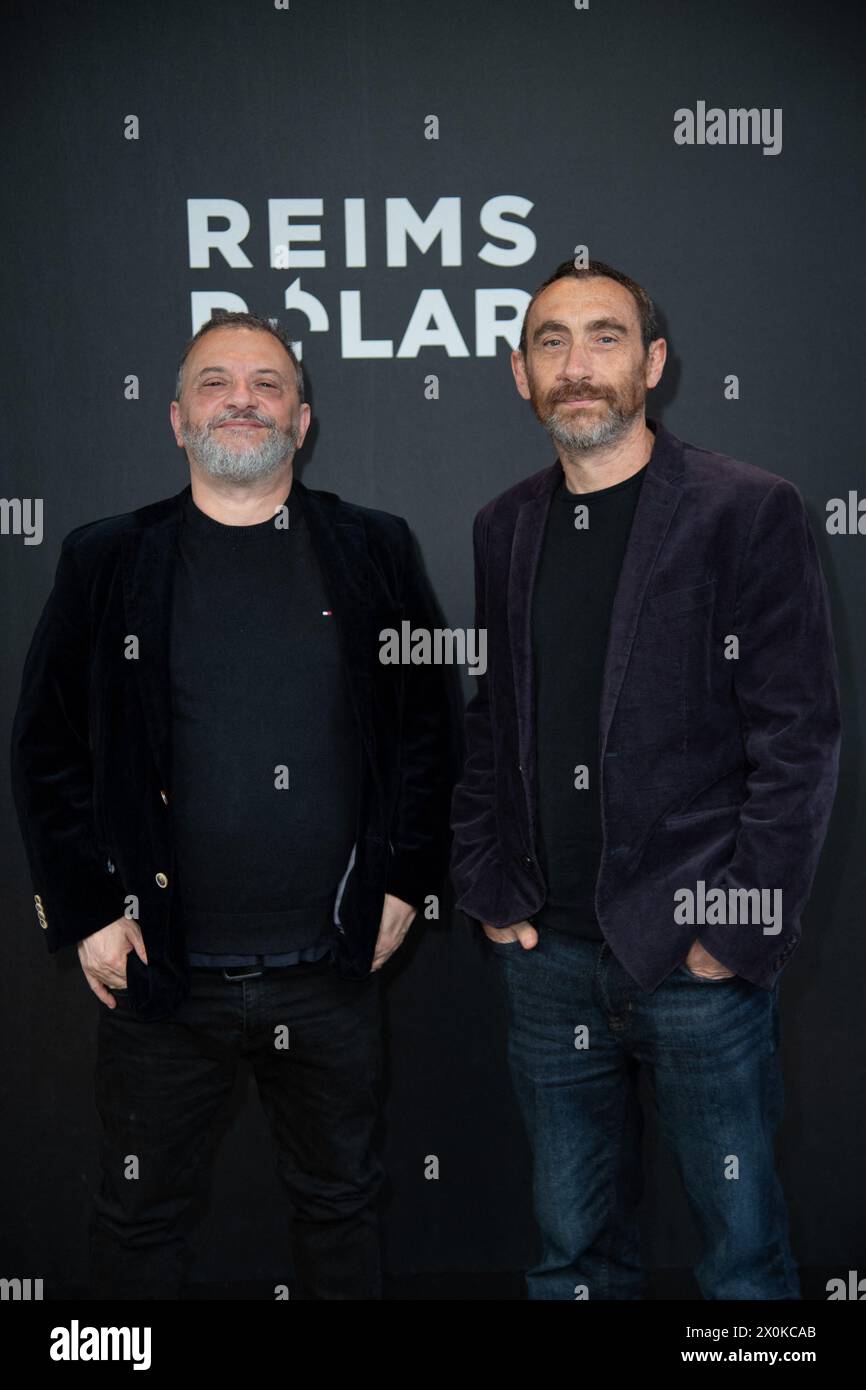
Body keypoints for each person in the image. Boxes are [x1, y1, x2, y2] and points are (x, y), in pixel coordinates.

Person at [10, 309, 452, 1300]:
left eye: (265, 383)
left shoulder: (373, 549)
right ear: (175, 419)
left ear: (302, 419)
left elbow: (428, 733)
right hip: (161, 973)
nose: (240, 397)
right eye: (214, 382)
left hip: (330, 969)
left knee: (340, 1205)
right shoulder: (107, 559)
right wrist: (86, 912)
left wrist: (402, 883)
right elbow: (47, 748)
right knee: (136, 1218)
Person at [449, 258, 841, 1300]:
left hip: (693, 961)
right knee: (573, 1255)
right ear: (519, 374)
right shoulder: (503, 526)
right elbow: (490, 720)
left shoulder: (746, 510)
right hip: (545, 958)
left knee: (742, 1260)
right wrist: (488, 888)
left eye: (604, 337)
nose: (576, 365)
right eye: (549, 342)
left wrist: (733, 934)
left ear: (652, 363)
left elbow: (797, 739)